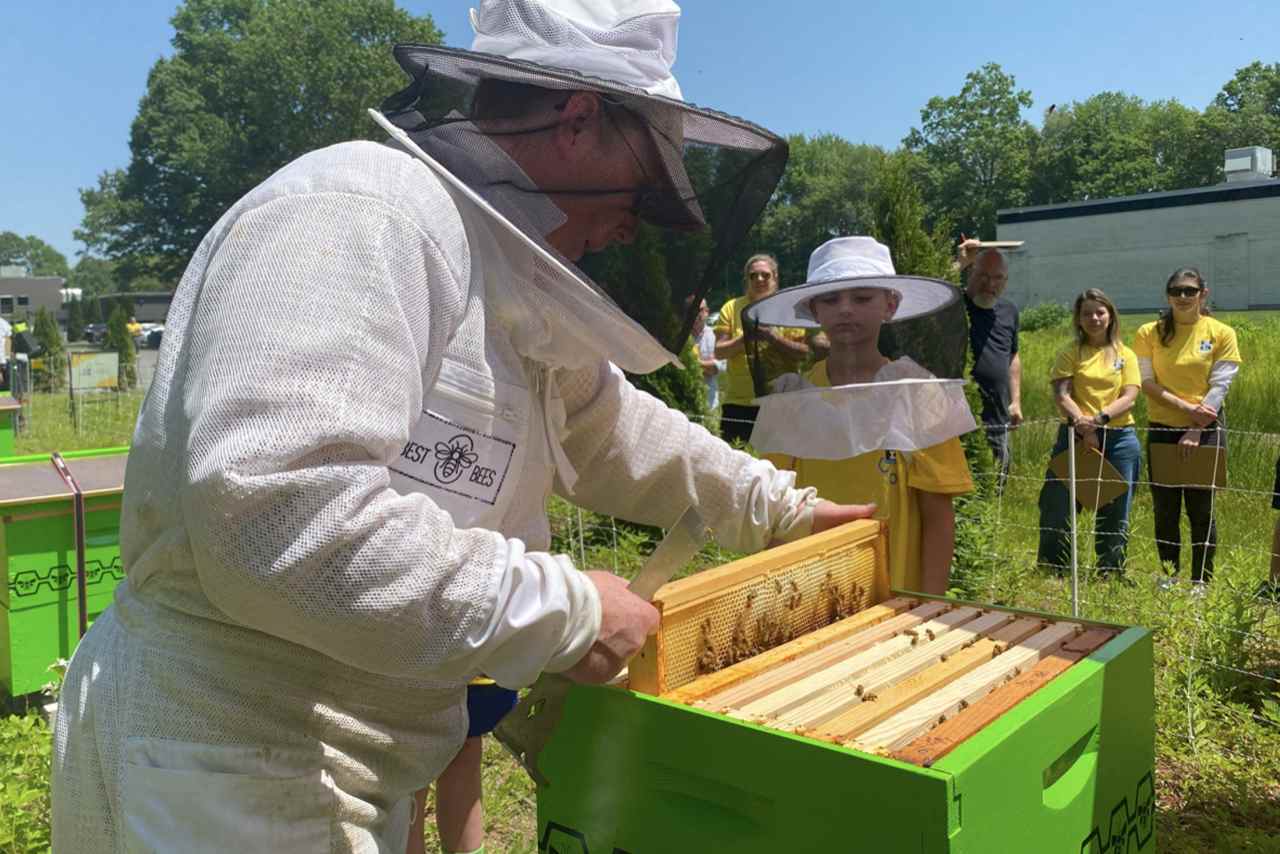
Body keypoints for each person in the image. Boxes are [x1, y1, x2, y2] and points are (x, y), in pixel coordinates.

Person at [51, 3, 874, 852]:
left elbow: (617, 431)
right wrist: (564, 607)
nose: (638, 221)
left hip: (355, 761)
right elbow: (275, 510)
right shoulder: (358, 213)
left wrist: (782, 510)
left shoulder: (509, 282)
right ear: (578, 119)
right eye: (644, 183)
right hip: (219, 761)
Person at [750, 237, 974, 595]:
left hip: (897, 593)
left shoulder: (919, 392)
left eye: (862, 297)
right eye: (831, 299)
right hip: (809, 588)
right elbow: (775, 509)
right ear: (813, 310)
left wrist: (929, 607)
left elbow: (938, 514)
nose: (845, 309)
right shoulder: (793, 400)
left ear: (890, 304)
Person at [1134, 267, 1241, 589]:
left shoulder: (1222, 332)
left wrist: (1196, 426)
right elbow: (1145, 381)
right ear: (1168, 295)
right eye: (1177, 290)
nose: (1183, 297)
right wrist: (1184, 408)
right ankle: (1169, 577)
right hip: (1163, 428)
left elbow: (1220, 385)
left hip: (1206, 430)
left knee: (1201, 509)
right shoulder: (1148, 332)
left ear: (1202, 294)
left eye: (1190, 290)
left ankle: (1201, 581)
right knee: (1165, 509)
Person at [1036, 289, 1141, 575]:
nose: (1094, 318)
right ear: (1078, 319)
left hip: (1119, 438)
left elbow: (1130, 395)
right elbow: (1061, 394)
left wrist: (1098, 420)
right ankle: (1052, 567)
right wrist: (1083, 424)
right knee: (1058, 503)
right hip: (1073, 435)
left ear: (1110, 315)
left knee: (1116, 508)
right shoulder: (1070, 353)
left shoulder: (1126, 354)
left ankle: (1110, 570)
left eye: (1100, 312)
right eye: (1087, 313)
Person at [714, 254, 810, 444]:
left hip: (781, 402)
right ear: (746, 279)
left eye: (765, 275)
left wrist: (772, 337)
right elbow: (719, 351)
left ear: (775, 278)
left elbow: (802, 353)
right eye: (753, 275)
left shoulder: (789, 309)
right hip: (738, 404)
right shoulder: (731, 308)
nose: (759, 279)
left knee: (780, 466)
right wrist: (744, 339)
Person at [957, 239, 1022, 490]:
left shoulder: (1009, 311)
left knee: (995, 490)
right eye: (983, 276)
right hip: (959, 419)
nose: (990, 284)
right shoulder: (954, 304)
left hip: (997, 418)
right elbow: (929, 295)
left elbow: (1013, 355)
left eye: (998, 278)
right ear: (971, 274)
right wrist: (960, 262)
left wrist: (1016, 400)